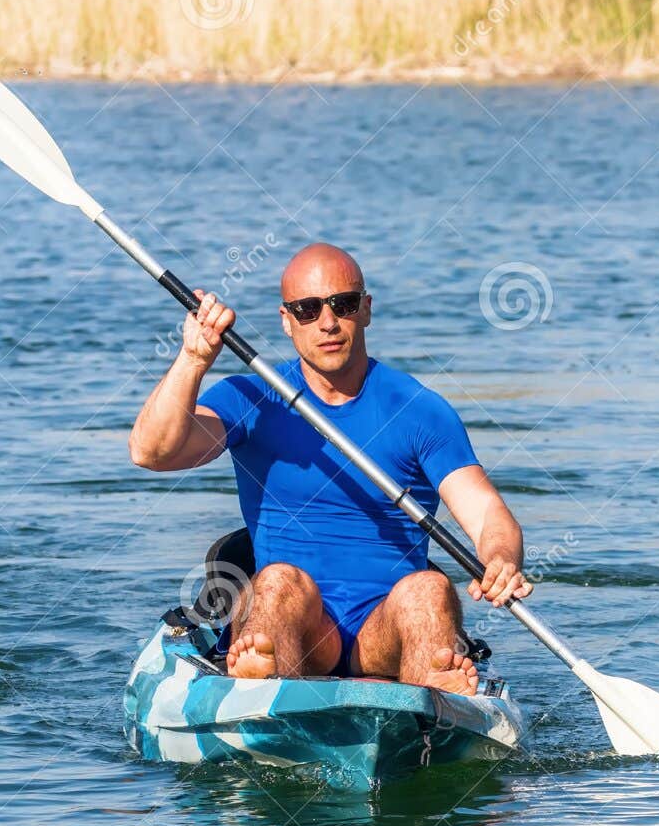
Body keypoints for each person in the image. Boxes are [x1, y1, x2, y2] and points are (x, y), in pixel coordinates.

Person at [129, 243, 531, 694]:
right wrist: (194, 360)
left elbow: (486, 513)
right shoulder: (252, 397)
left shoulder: (418, 411)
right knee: (279, 581)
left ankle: (434, 702)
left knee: (429, 589)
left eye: (343, 304)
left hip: (384, 633)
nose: (327, 322)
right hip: (299, 626)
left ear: (366, 310)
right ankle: (260, 682)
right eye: (307, 309)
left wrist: (499, 558)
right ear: (286, 320)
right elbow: (152, 453)